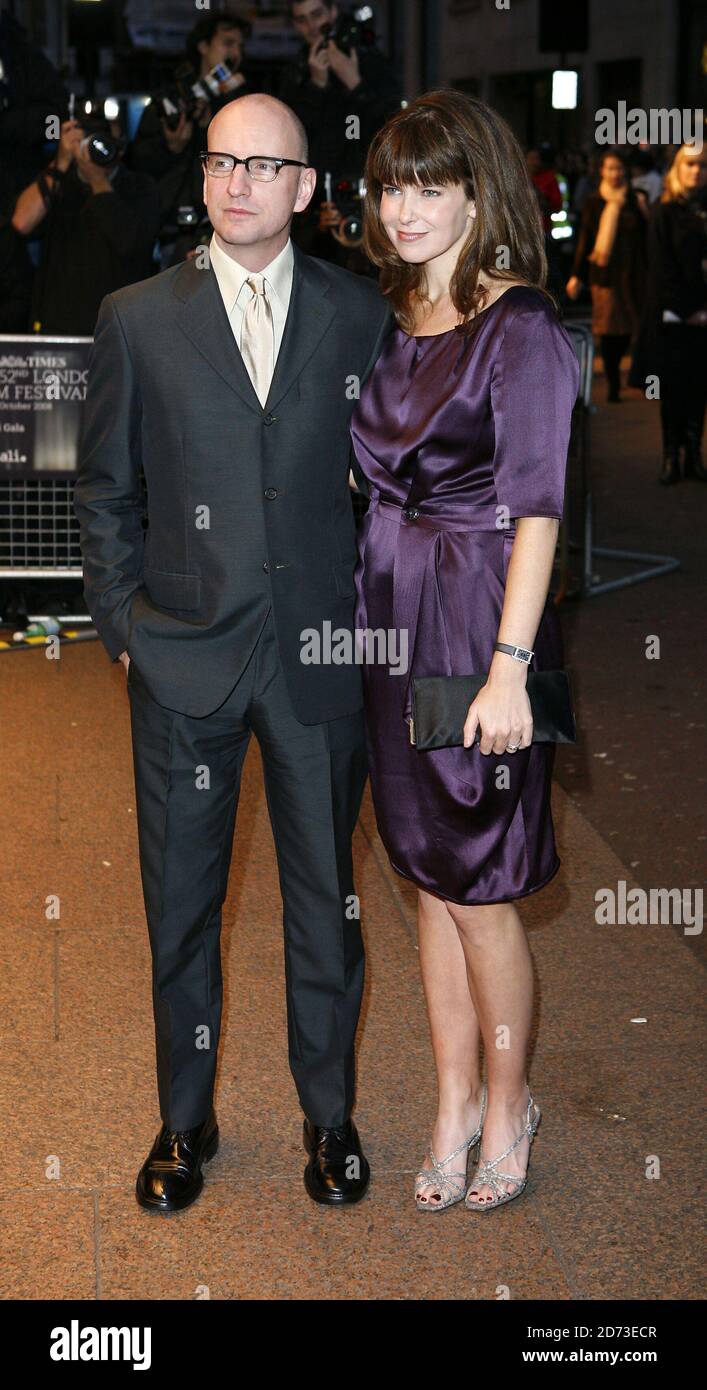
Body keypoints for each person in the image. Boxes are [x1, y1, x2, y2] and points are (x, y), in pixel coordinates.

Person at [73, 93, 391, 1213]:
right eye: (219, 162)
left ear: (308, 189)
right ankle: (184, 1117)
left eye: (264, 165)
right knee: (181, 906)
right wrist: (124, 630)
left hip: (316, 661)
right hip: (182, 664)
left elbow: (394, 490)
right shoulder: (137, 317)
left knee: (325, 901)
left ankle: (329, 1115)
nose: (236, 182)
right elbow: (106, 490)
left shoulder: (360, 317)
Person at [349, 90, 579, 1212]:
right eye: (392, 184)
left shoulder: (519, 326)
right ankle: (447, 1102)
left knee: (479, 883)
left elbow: (537, 509)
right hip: (391, 621)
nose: (405, 206)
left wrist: (509, 666)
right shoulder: (399, 318)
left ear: (479, 189)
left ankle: (507, 1101)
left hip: (472, 622)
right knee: (424, 881)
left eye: (430, 184)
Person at [11, 112, 159, 335]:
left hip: (121, 329)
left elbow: (130, 242)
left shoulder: (140, 187)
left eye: (108, 141)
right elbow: (21, 222)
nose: (98, 149)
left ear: (122, 148)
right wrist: (60, 163)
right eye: (91, 141)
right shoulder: (60, 184)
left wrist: (97, 180)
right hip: (59, 329)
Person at [129, 12, 254, 268]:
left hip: (224, 225)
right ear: (203, 46)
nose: (235, 53)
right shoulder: (170, 99)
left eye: (240, 46)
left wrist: (212, 122)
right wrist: (171, 147)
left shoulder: (244, 102)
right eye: (228, 43)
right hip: (170, 227)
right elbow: (136, 162)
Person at [279, 0, 400, 258]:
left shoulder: (368, 59)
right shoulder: (294, 72)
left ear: (333, 12)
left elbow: (393, 125)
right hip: (316, 206)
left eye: (317, 14)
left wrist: (353, 82)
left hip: (369, 195)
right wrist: (317, 86)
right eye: (302, 20)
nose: (312, 26)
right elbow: (292, 138)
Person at [628, 143, 707, 484]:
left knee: (698, 387)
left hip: (703, 317)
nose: (696, 171)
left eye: (702, 166)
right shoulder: (663, 209)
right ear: (678, 168)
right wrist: (689, 310)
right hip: (671, 316)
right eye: (690, 165)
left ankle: (694, 454)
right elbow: (660, 268)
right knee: (670, 388)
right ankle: (670, 455)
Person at [566, 148, 647, 402]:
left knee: (627, 331)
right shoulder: (594, 201)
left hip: (632, 275)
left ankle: (621, 376)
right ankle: (613, 383)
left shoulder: (635, 199)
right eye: (610, 168)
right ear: (602, 171)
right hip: (605, 276)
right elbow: (586, 239)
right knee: (610, 329)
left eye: (619, 168)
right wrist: (576, 275)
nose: (615, 173)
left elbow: (645, 238)